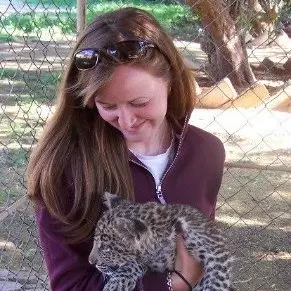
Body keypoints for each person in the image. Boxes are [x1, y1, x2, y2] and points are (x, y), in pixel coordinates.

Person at [27, 7, 225, 291]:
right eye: (107, 106)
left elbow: (202, 254)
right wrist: (176, 283)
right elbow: (71, 284)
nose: (127, 121)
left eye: (140, 102)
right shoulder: (65, 170)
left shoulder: (207, 151)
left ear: (170, 82)